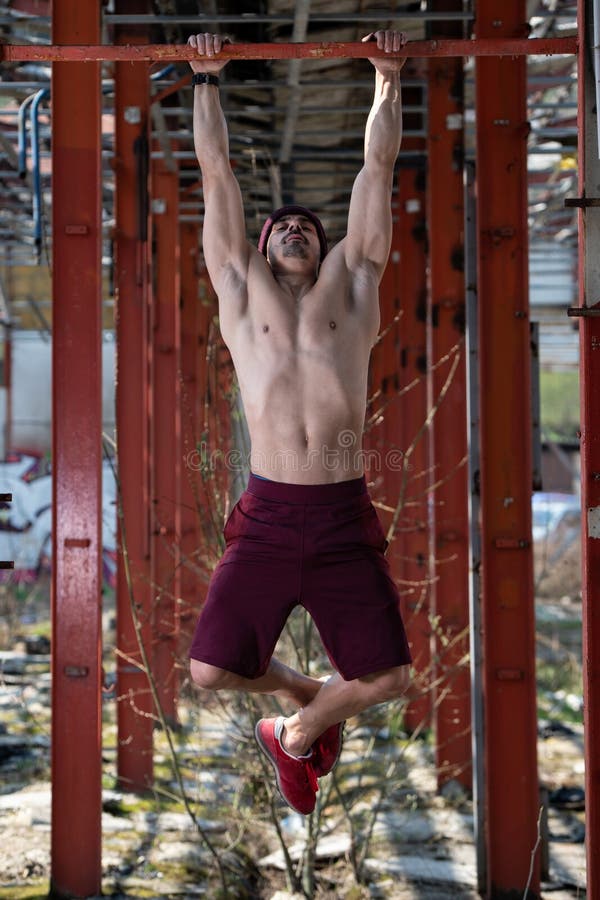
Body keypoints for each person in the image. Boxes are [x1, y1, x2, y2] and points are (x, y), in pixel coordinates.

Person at [187, 28, 412, 816]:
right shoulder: (240, 295)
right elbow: (216, 172)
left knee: (390, 678)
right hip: (271, 514)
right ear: (256, 248)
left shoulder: (354, 287)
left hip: (343, 514)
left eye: (307, 227)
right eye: (280, 226)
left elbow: (376, 168)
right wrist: (207, 79)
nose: (294, 228)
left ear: (326, 246)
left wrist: (387, 76)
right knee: (209, 672)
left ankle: (295, 730)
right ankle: (304, 691)